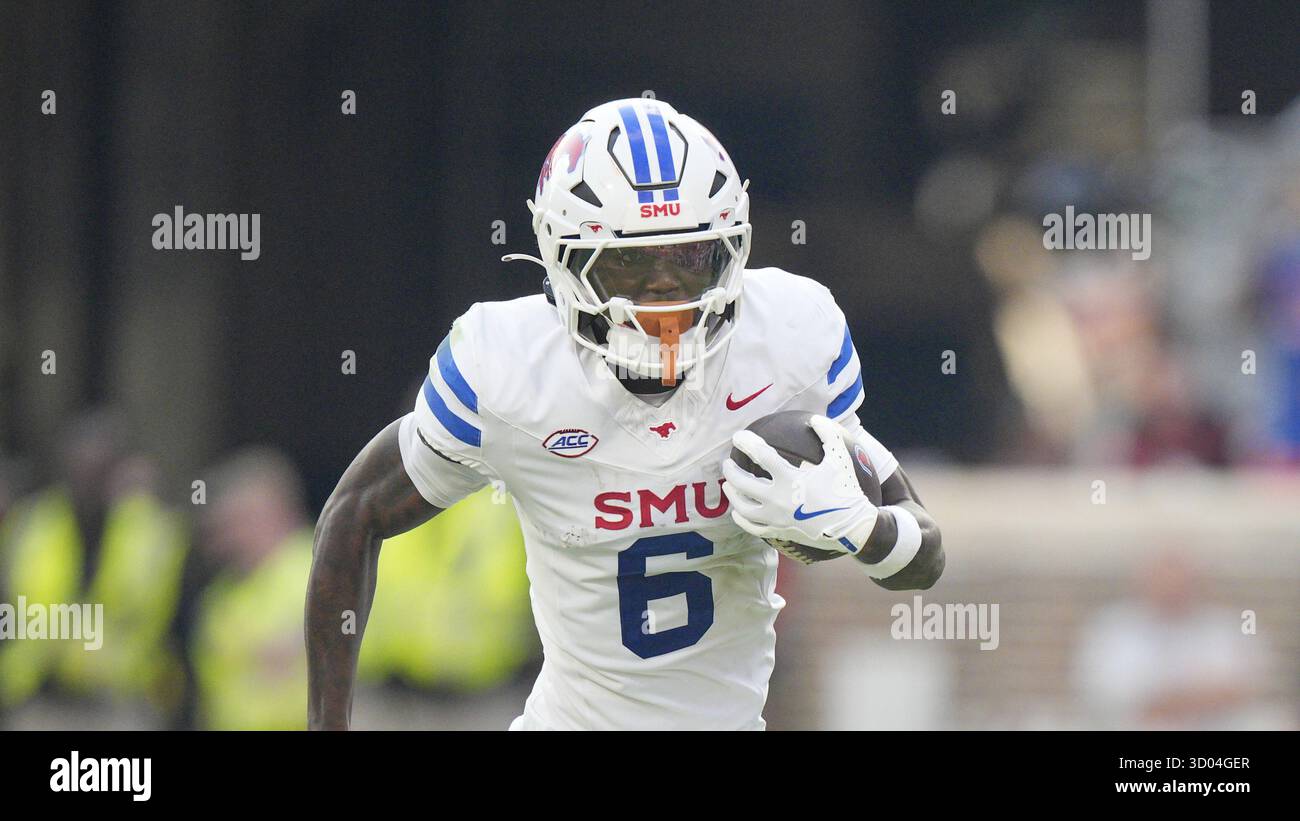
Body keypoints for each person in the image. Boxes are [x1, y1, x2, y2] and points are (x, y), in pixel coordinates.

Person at [306, 98, 944, 730]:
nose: (662, 290)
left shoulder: (790, 342)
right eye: (630, 262)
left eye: (690, 259)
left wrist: (861, 528)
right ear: (563, 260)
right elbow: (354, 513)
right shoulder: (507, 369)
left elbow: (924, 557)